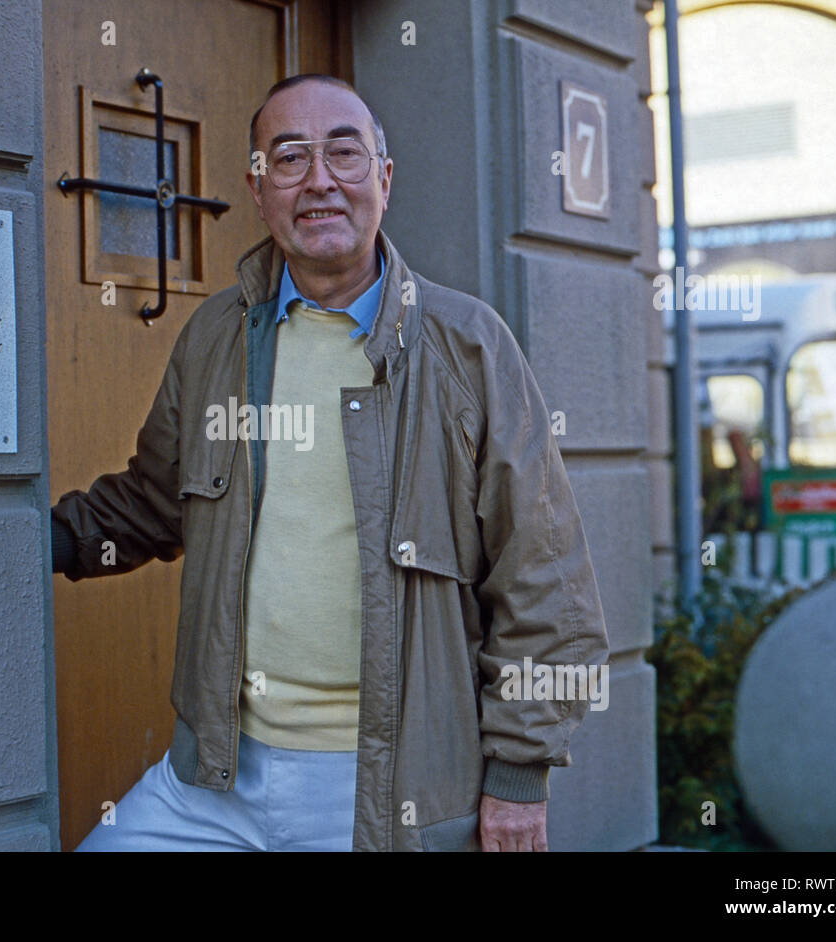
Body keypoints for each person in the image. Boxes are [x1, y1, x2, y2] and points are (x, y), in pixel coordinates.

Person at [52, 73, 609, 852]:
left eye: (344, 154)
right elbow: (150, 502)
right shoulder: (215, 339)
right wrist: (25, 541)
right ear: (258, 188)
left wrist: (519, 773)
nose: (319, 180)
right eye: (289, 158)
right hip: (212, 778)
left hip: (381, 790)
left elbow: (546, 576)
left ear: (385, 178)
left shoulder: (469, 347)